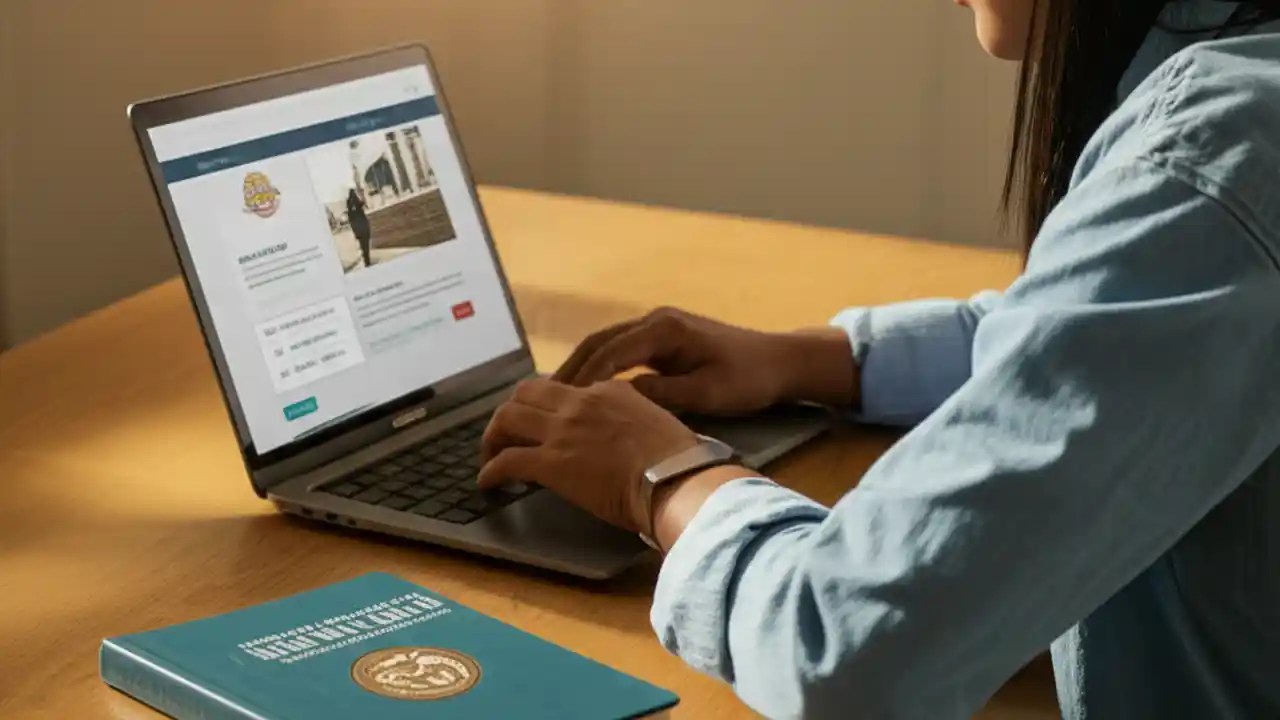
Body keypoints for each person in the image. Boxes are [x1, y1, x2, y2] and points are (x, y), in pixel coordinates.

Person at [479, 1, 1280, 718]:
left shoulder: (1208, 160)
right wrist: (807, 360)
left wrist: (660, 476)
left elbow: (846, 654)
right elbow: (1104, 334)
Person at [346, 188, 372, 268]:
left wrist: (355, 233)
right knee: (366, 245)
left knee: (363, 245)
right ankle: (367, 260)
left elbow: (352, 222)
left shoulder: (350, 211)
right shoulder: (358, 205)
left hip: (359, 230)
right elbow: (363, 204)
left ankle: (366, 260)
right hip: (363, 228)